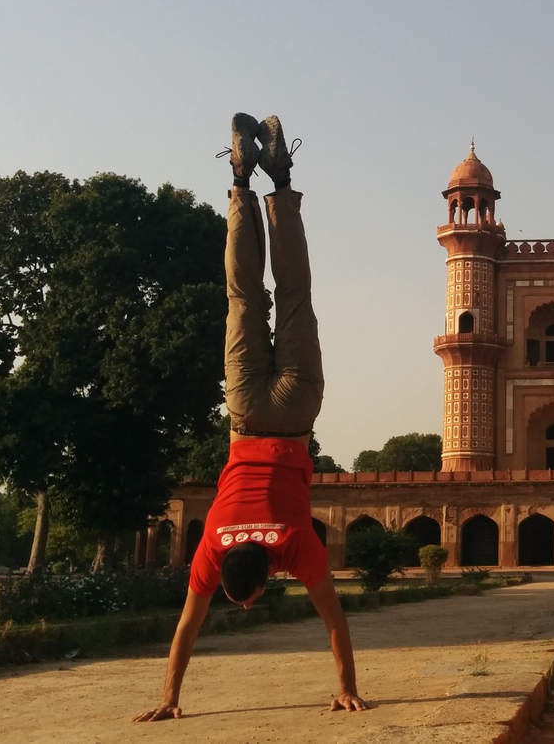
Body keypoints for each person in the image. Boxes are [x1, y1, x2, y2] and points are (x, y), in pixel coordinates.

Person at [134, 114, 368, 722]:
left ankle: (281, 181)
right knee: (243, 296)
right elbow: (185, 629)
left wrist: (345, 686)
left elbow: (335, 625)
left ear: (264, 576)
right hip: (243, 414)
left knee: (293, 293)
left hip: (294, 414)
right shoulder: (211, 547)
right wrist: (167, 695)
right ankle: (240, 182)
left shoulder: (293, 547)